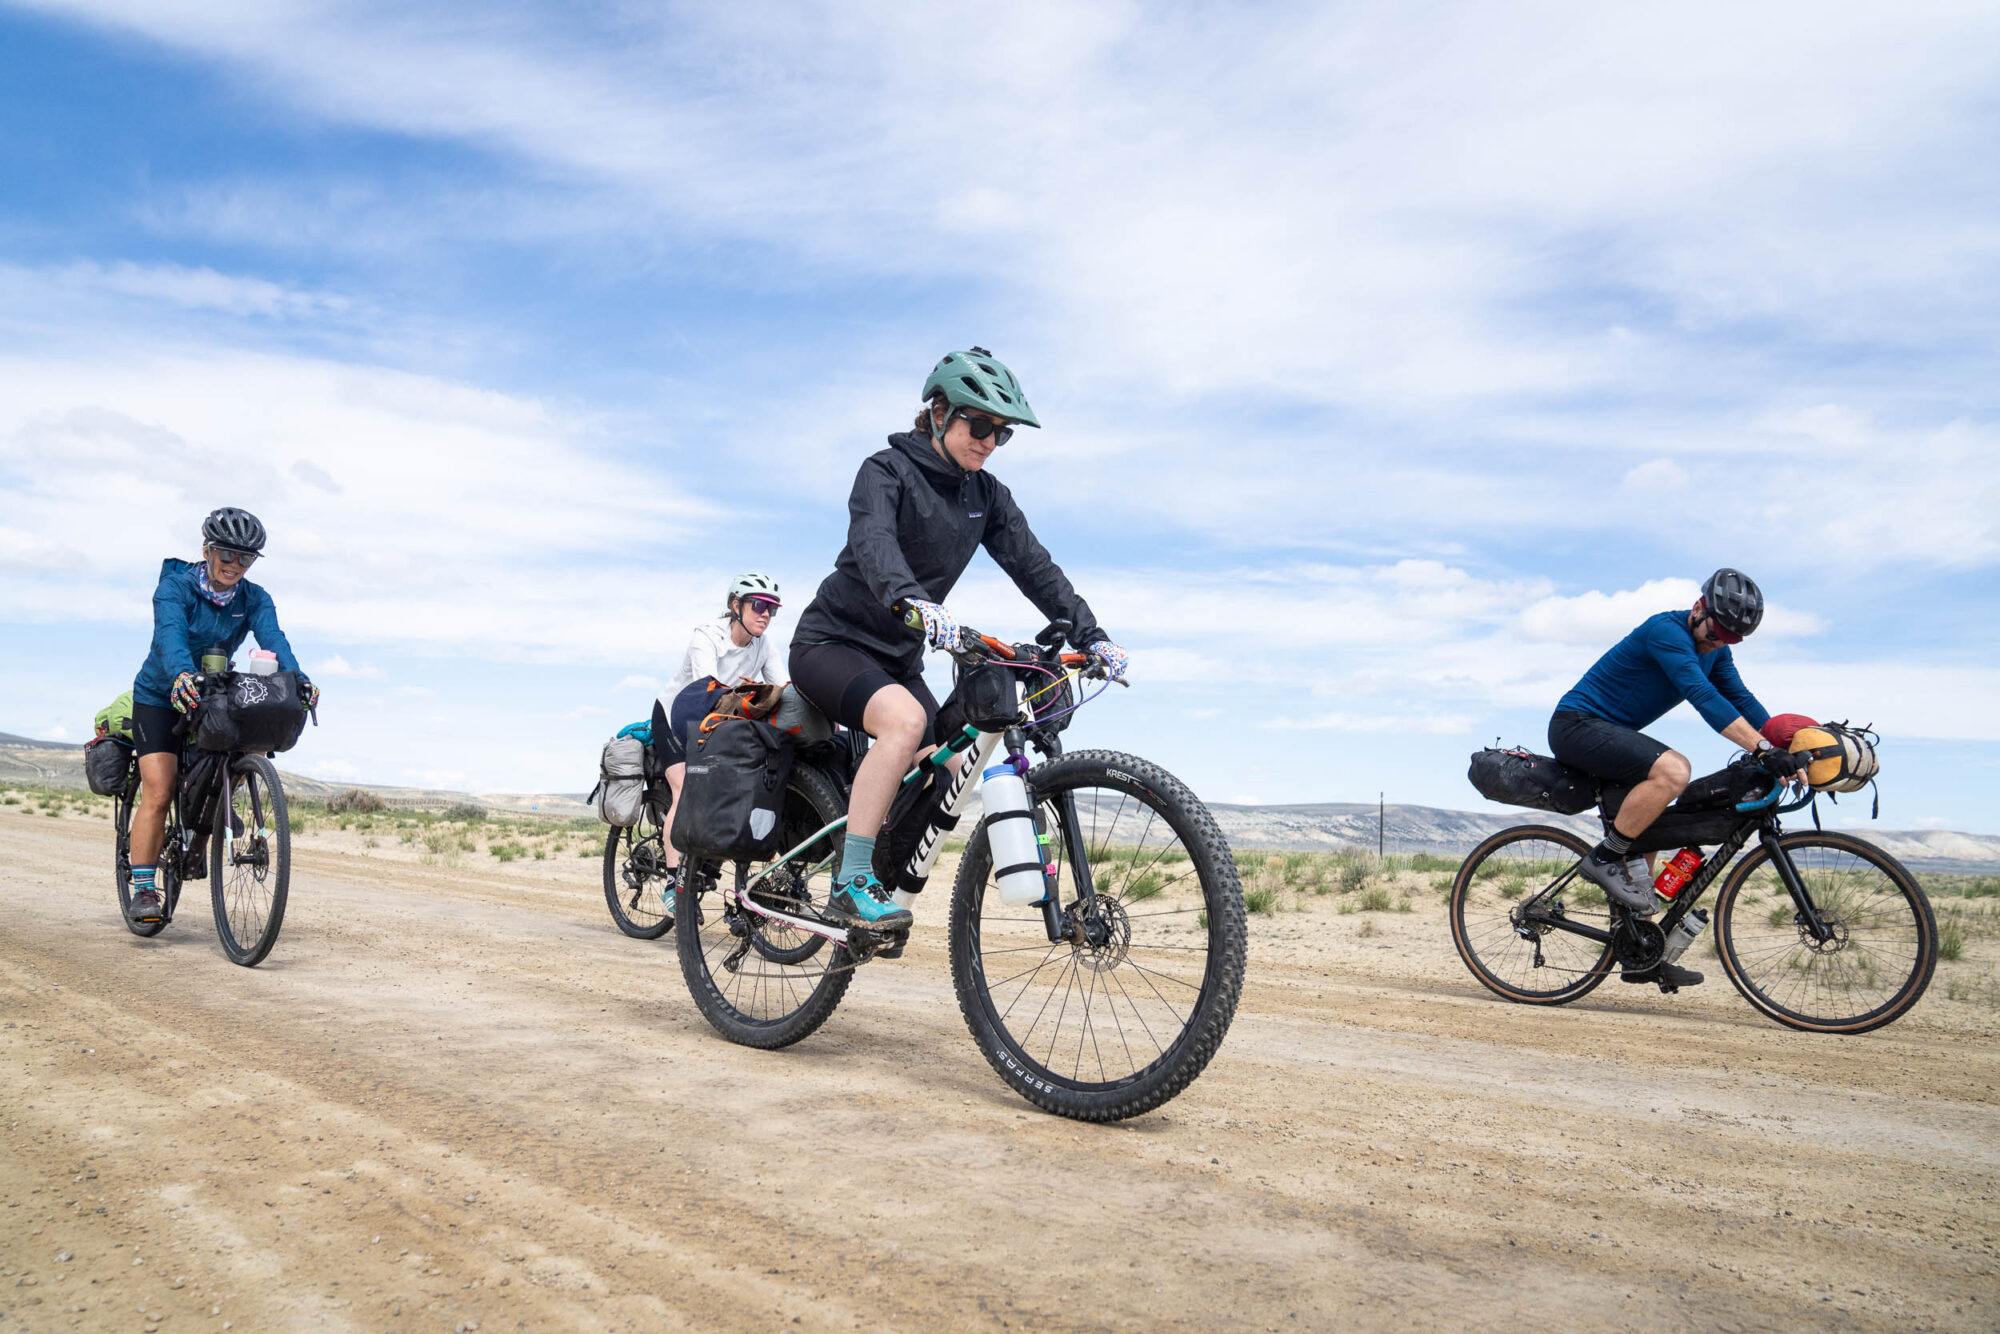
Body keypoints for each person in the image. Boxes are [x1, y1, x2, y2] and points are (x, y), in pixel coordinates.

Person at [789, 347, 1130, 932]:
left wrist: (1092, 634)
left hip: (897, 658)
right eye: (980, 425)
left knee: (945, 765)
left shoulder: (987, 496)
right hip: (831, 645)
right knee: (904, 724)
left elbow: (1034, 566)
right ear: (940, 412)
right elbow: (875, 545)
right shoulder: (885, 471)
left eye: (1003, 433)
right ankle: (849, 884)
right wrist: (913, 601)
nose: (989, 442)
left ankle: (876, 867)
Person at [1548, 567, 1806, 986]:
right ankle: (1603, 859)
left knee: (1649, 838)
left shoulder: (1715, 651)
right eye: (1718, 630)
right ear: (1698, 608)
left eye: (1732, 638)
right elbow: (1702, 695)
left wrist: (1785, 746)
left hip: (1613, 735)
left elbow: (1739, 697)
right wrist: (1760, 748)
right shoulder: (1666, 632)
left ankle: (1640, 955)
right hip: (1577, 726)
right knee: (1675, 771)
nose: (1720, 641)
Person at [127, 508, 317, 923]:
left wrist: (298, 679)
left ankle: (211, 815)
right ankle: (143, 889)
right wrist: (180, 673)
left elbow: (273, 639)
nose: (234, 565)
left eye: (244, 559)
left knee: (240, 750)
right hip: (161, 694)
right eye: (227, 555)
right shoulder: (175, 588)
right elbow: (169, 635)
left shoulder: (254, 598)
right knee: (159, 790)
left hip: (213, 693)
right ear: (207, 550)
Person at [651, 573, 785, 907]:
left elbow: (784, 687)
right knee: (686, 787)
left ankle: (712, 866)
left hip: (724, 720)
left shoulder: (764, 645)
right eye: (759, 605)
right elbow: (704, 689)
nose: (765, 614)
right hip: (678, 716)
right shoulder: (706, 636)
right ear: (736, 605)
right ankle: (672, 883)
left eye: (772, 609)